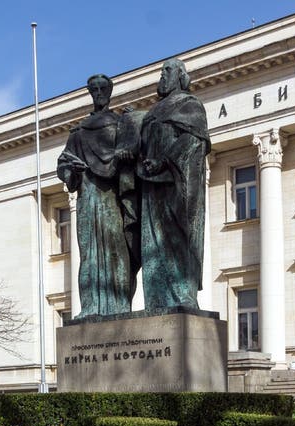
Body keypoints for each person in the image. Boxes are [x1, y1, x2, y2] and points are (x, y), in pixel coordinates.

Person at [57, 74, 140, 318]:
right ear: (90, 92)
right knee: (89, 253)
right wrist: (70, 170)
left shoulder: (120, 124)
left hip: (113, 198)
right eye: (94, 89)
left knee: (117, 252)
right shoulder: (79, 133)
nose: (99, 92)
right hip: (89, 197)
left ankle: (119, 307)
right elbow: (64, 163)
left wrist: (128, 149)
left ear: (110, 91)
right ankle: (91, 307)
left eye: (103, 88)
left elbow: (136, 155)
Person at [138, 58, 211, 310]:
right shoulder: (153, 112)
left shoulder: (190, 105)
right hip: (151, 184)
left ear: (181, 76)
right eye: (161, 71)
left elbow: (194, 141)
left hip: (175, 183)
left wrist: (163, 161)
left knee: (177, 238)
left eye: (167, 71)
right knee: (153, 243)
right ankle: (157, 300)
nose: (162, 76)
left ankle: (183, 296)